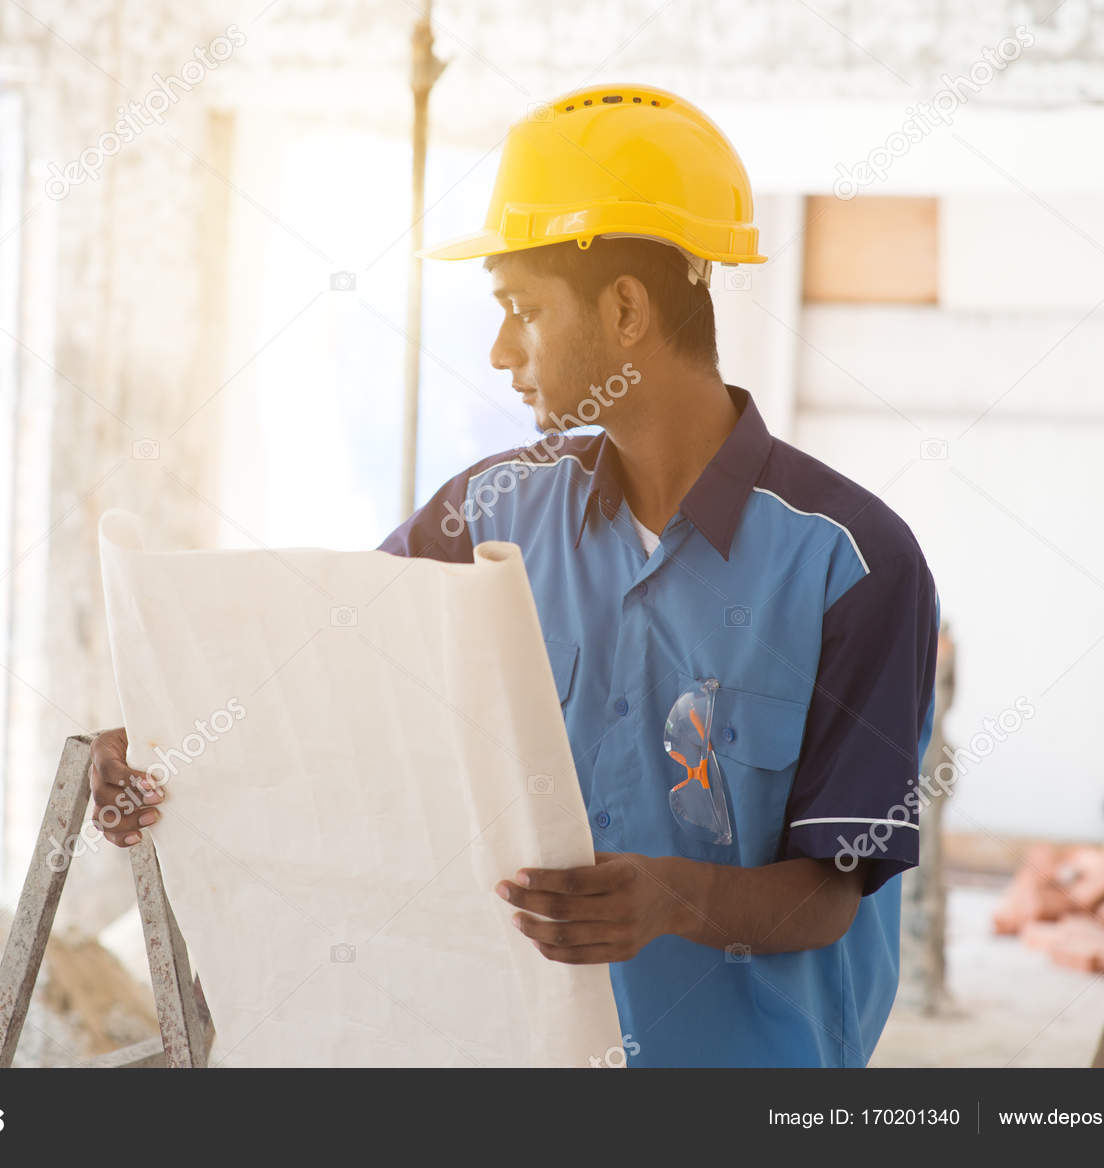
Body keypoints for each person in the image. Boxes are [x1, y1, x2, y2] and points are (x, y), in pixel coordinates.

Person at [90, 83, 939, 1067]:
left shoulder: (851, 563)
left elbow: (832, 890)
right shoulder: (489, 512)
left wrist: (672, 897)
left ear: (625, 309)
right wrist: (164, 739)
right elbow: (322, 674)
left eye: (521, 310)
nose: (499, 352)